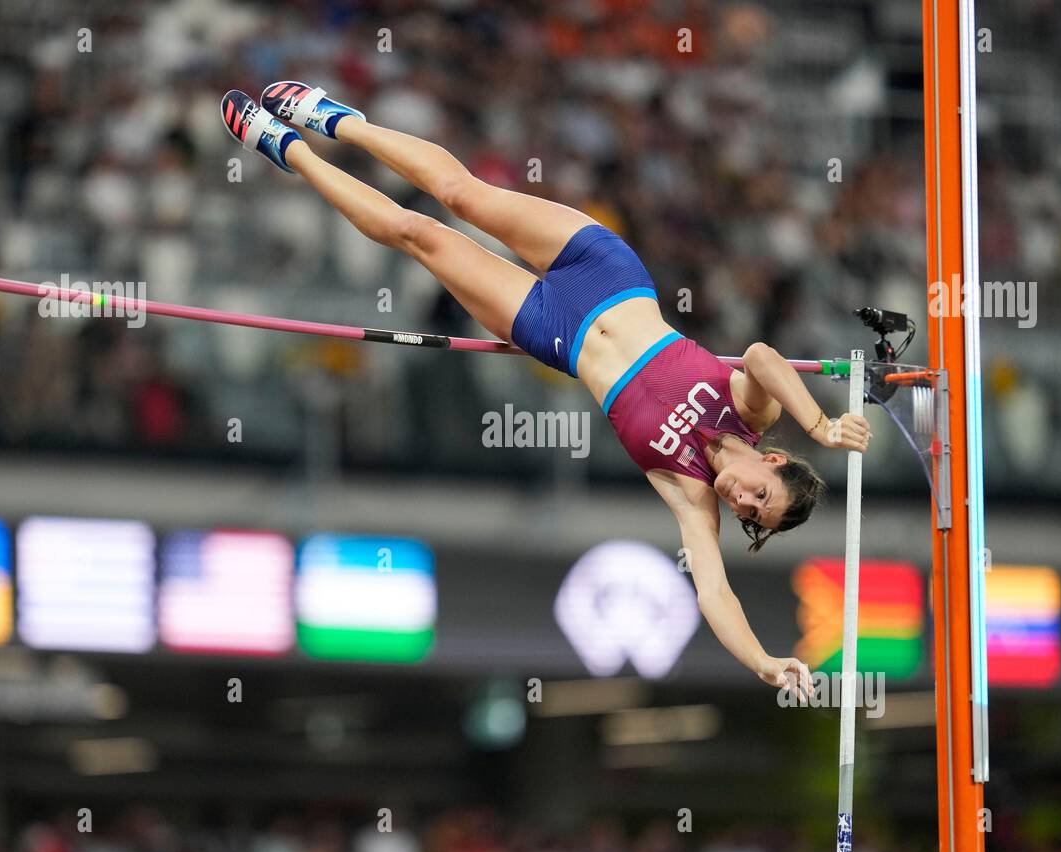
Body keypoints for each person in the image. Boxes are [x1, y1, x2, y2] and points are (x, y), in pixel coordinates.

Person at [220, 83, 870, 698]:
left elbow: (714, 593)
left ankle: (288, 149)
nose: (742, 501)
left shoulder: (691, 493)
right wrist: (819, 422)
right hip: (607, 274)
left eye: (751, 516)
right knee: (460, 194)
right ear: (773, 459)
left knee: (417, 235)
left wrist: (761, 660)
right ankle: (339, 121)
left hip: (551, 332)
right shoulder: (754, 408)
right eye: (760, 494)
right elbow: (761, 354)